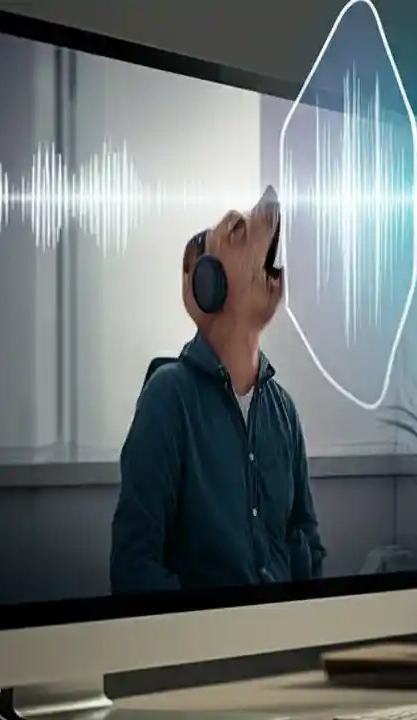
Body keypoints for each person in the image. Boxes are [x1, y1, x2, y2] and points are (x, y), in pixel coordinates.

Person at [110, 187, 328, 594]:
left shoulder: (285, 413)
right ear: (209, 285)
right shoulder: (168, 399)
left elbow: (308, 546)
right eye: (238, 231)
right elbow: (133, 568)